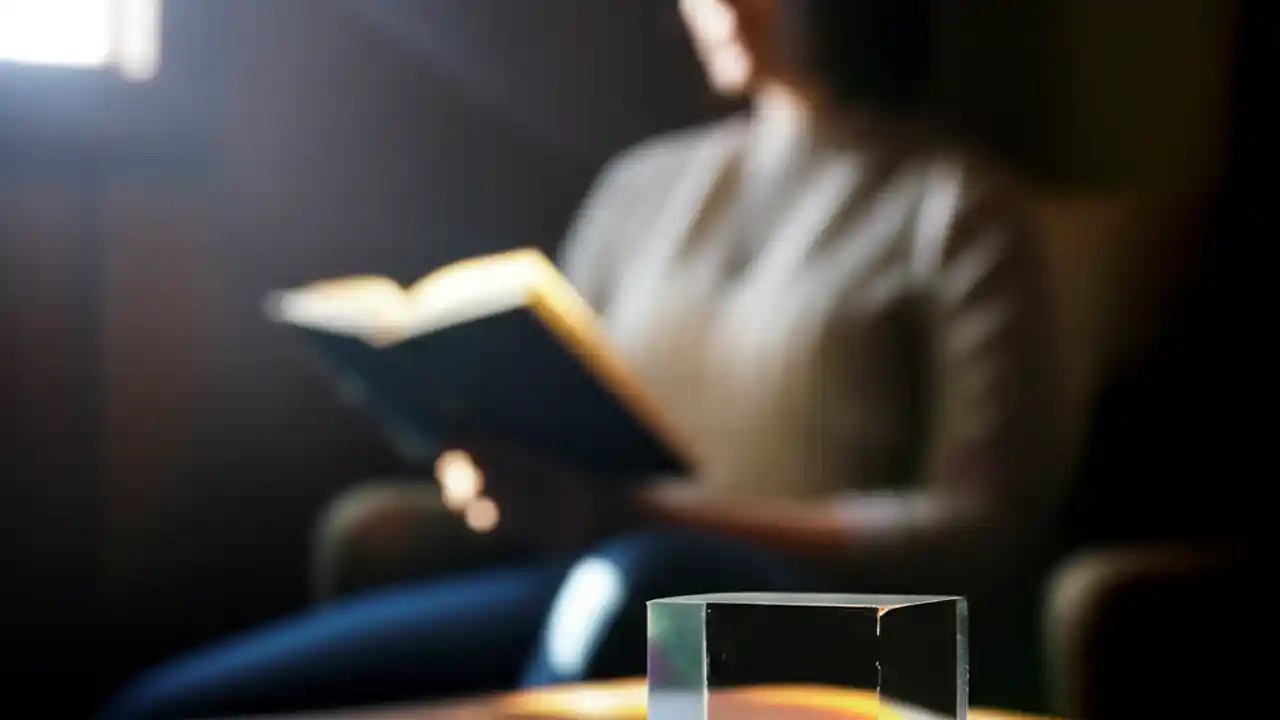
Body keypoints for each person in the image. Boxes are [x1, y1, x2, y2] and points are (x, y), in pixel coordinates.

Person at [103, 0, 1064, 716]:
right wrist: (499, 469)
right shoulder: (643, 190)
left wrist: (646, 518)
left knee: (644, 588)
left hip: (890, 640)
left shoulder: (962, 210)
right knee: (176, 706)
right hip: (599, 586)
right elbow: (572, 408)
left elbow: (977, 533)